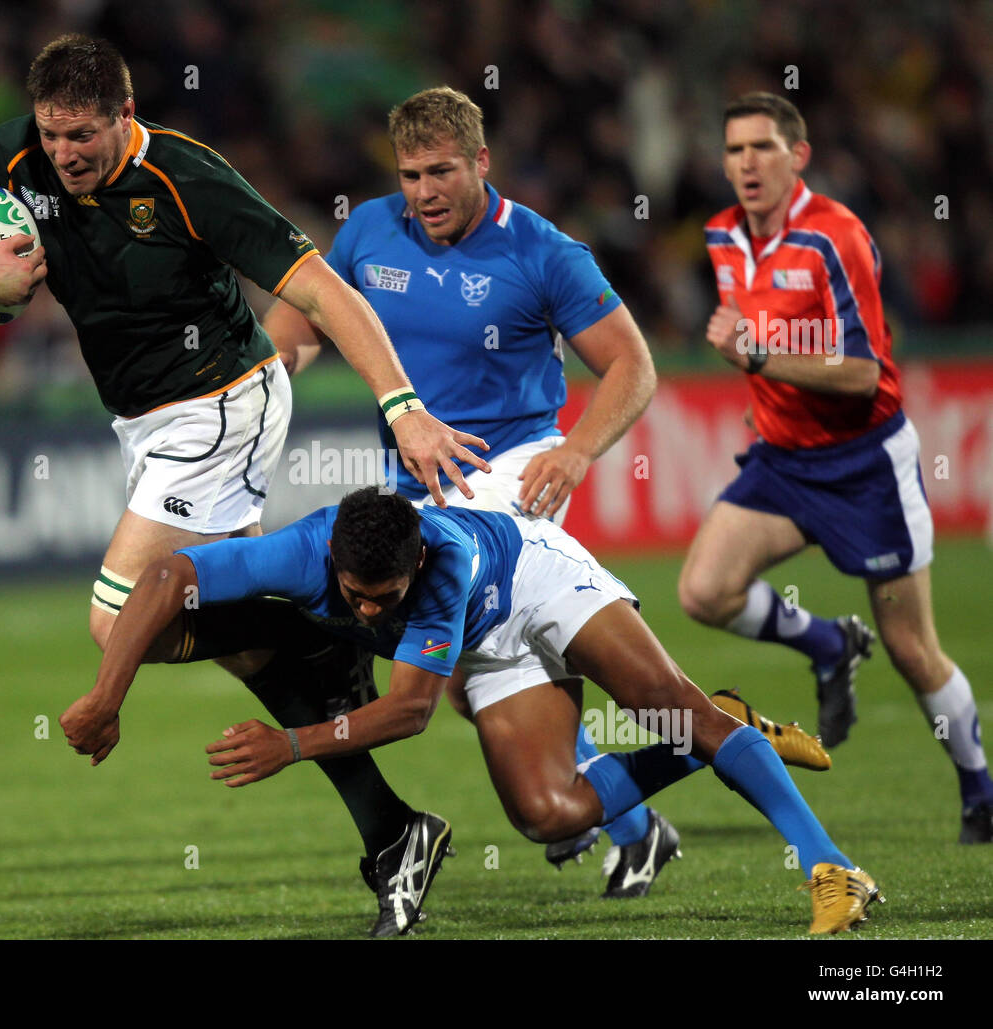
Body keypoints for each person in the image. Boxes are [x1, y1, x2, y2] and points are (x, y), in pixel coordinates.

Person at [0, 34, 492, 934]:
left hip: (223, 404)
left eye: (83, 134)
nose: (64, 155)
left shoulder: (188, 179)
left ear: (125, 116)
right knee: (237, 642)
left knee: (121, 616)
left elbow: (323, 292)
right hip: (140, 421)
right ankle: (389, 817)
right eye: (52, 135)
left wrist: (403, 406)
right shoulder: (10, 157)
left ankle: (323, 633)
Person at [264, 86, 825, 897]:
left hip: (508, 478)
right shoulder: (369, 231)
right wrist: (277, 371)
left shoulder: (542, 251)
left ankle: (709, 743)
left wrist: (578, 450)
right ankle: (640, 814)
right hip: (416, 484)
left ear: (482, 162)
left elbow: (632, 364)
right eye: (410, 174)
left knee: (450, 653)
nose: (423, 193)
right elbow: (305, 321)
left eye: (442, 172)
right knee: (470, 688)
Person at [60, 486, 879, 936]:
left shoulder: (442, 566)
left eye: (386, 599)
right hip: (496, 651)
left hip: (542, 585)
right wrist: (106, 696)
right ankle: (721, 726)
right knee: (550, 815)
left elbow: (412, 710)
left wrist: (293, 742)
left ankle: (832, 866)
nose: (372, 614)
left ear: (416, 560)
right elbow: (168, 576)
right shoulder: (308, 551)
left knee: (671, 707)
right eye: (357, 599)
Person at [677, 92, 993, 843]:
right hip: (785, 463)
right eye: (734, 150)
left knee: (915, 650)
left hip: (864, 466)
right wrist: (764, 396)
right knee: (703, 590)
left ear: (799, 156)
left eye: (763, 148)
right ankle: (827, 642)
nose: (746, 164)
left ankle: (979, 787)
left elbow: (864, 374)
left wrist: (757, 357)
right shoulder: (721, 236)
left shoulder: (835, 236)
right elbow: (773, 346)